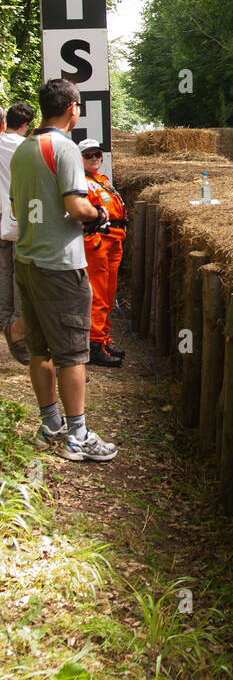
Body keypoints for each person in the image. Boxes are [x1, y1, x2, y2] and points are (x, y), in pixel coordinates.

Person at [9, 79, 118, 462]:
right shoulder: (64, 148)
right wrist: (98, 213)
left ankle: (51, 423)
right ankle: (78, 435)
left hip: (27, 261)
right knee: (73, 351)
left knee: (39, 348)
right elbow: (75, 206)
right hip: (60, 264)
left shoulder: (23, 148)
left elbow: (20, 207)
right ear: (73, 108)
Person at [79, 138, 127, 367]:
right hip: (98, 242)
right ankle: (94, 344)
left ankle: (102, 338)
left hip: (115, 241)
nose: (95, 159)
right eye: (89, 155)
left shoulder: (102, 180)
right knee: (97, 294)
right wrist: (93, 239)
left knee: (108, 293)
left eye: (98, 154)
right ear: (79, 159)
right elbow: (80, 215)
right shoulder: (81, 182)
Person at [0, 101, 35, 365]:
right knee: (20, 277)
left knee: (4, 274)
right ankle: (16, 332)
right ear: (26, 124)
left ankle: (7, 323)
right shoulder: (27, 148)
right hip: (19, 219)